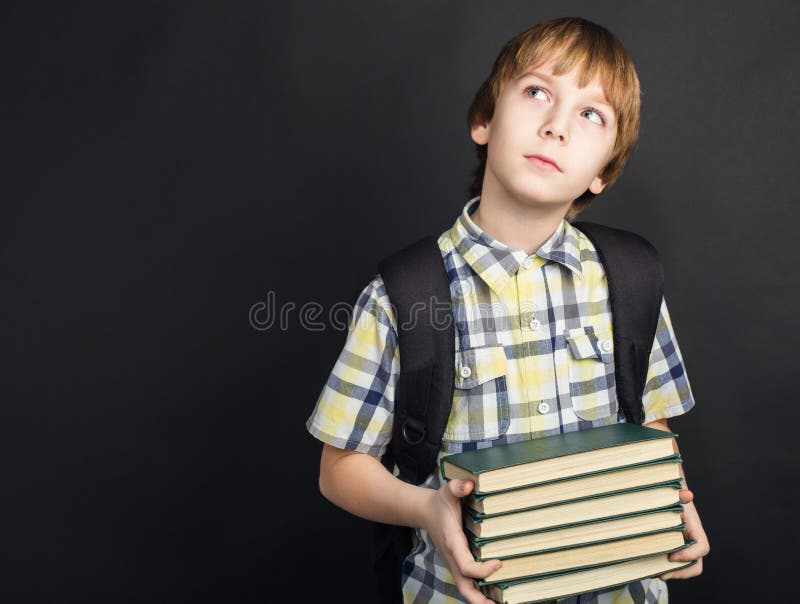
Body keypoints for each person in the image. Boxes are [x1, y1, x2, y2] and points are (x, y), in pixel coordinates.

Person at [305, 16, 710, 604]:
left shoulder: (633, 278)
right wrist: (426, 508)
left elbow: (651, 428)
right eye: (537, 91)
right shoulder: (405, 295)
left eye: (591, 114)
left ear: (603, 172)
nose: (556, 127)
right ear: (484, 120)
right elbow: (339, 469)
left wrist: (671, 502)